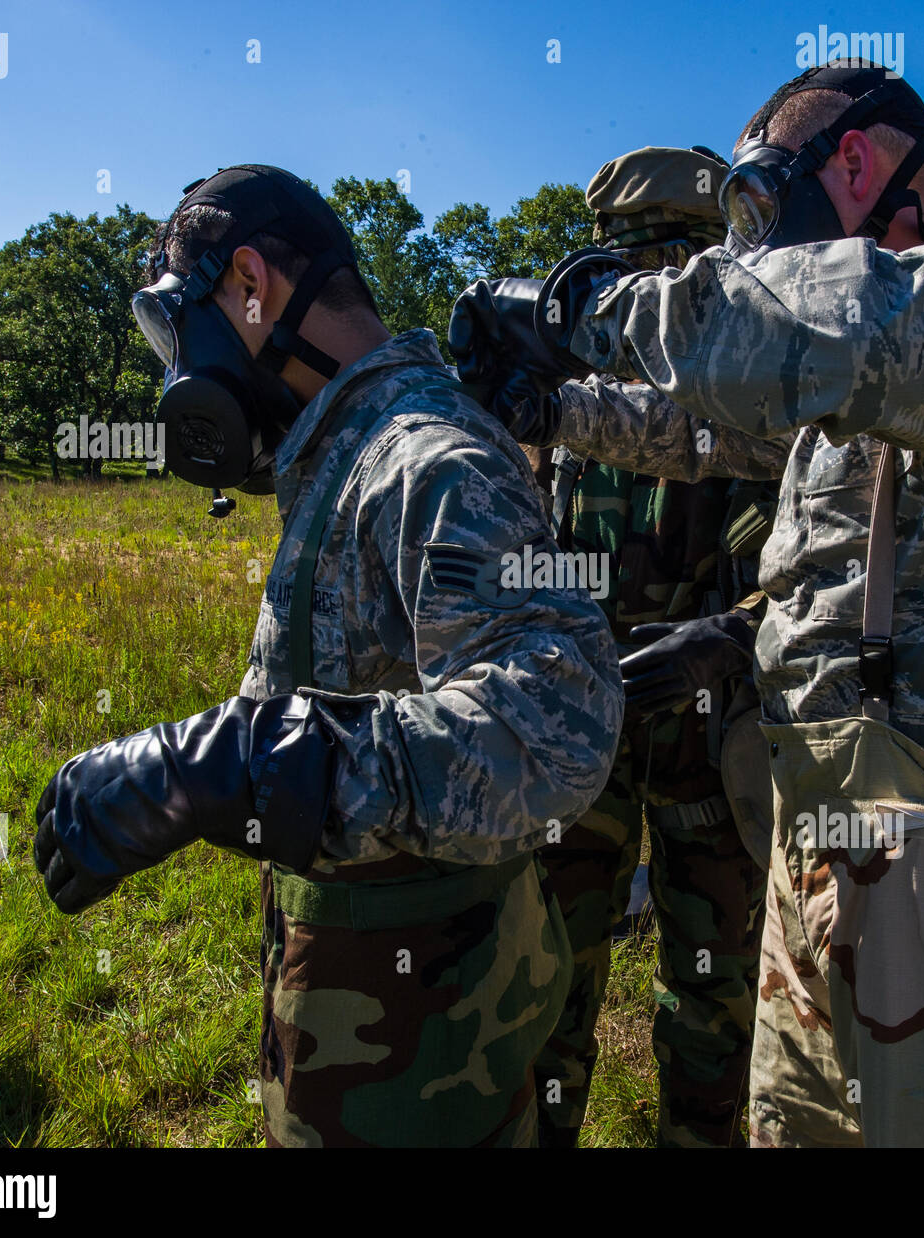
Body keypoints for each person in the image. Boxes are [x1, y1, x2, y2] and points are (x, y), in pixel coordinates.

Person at [450, 62, 924, 1147]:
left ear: (857, 163)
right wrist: (553, 402)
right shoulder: (850, 381)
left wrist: (572, 305)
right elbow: (700, 431)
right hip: (824, 856)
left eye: (756, 203)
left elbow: (797, 328)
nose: (741, 244)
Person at [33, 164, 623, 1148]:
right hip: (379, 1041)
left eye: (178, 324)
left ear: (252, 285)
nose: (176, 366)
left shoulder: (427, 456)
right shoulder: (352, 447)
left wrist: (245, 764)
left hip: (428, 1070)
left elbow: (555, 728)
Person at [529, 146, 785, 1147]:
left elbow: (808, 562)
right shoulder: (550, 382)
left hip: (714, 729)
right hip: (578, 722)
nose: (639, 281)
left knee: (713, 988)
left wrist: (726, 636)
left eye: (665, 258)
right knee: (548, 974)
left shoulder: (757, 380)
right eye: (624, 259)